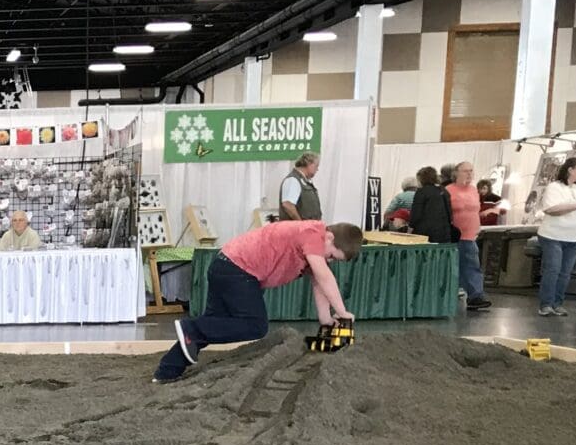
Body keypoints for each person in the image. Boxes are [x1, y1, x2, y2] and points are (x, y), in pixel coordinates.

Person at [153, 218, 363, 383]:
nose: (329, 261)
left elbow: (318, 282)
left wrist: (326, 319)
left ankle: (167, 370)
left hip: (225, 265)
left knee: (214, 324)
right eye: (332, 256)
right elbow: (325, 277)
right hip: (237, 269)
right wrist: (342, 311)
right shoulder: (313, 233)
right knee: (255, 325)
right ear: (329, 237)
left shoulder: (315, 242)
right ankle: (191, 329)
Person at [535, 157, 576, 318]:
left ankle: (557, 303)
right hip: (553, 235)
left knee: (565, 272)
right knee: (552, 269)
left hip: (574, 237)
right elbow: (551, 209)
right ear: (570, 170)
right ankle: (546, 304)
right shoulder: (554, 187)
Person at [447, 162, 491, 312]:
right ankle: (474, 295)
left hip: (471, 235)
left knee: (470, 264)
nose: (469, 174)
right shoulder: (449, 190)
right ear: (456, 173)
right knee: (467, 265)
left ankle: (474, 296)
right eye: (466, 171)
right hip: (457, 234)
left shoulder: (473, 190)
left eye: (471, 171)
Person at [406, 166, 453, 245]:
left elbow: (416, 213)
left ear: (421, 179)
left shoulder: (422, 192)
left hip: (425, 232)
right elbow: (449, 212)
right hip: (444, 232)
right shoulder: (443, 190)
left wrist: (410, 229)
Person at [278, 153, 322, 222]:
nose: (317, 169)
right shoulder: (293, 180)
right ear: (309, 164)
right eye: (316, 166)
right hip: (296, 228)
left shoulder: (304, 181)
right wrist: (301, 224)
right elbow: (288, 205)